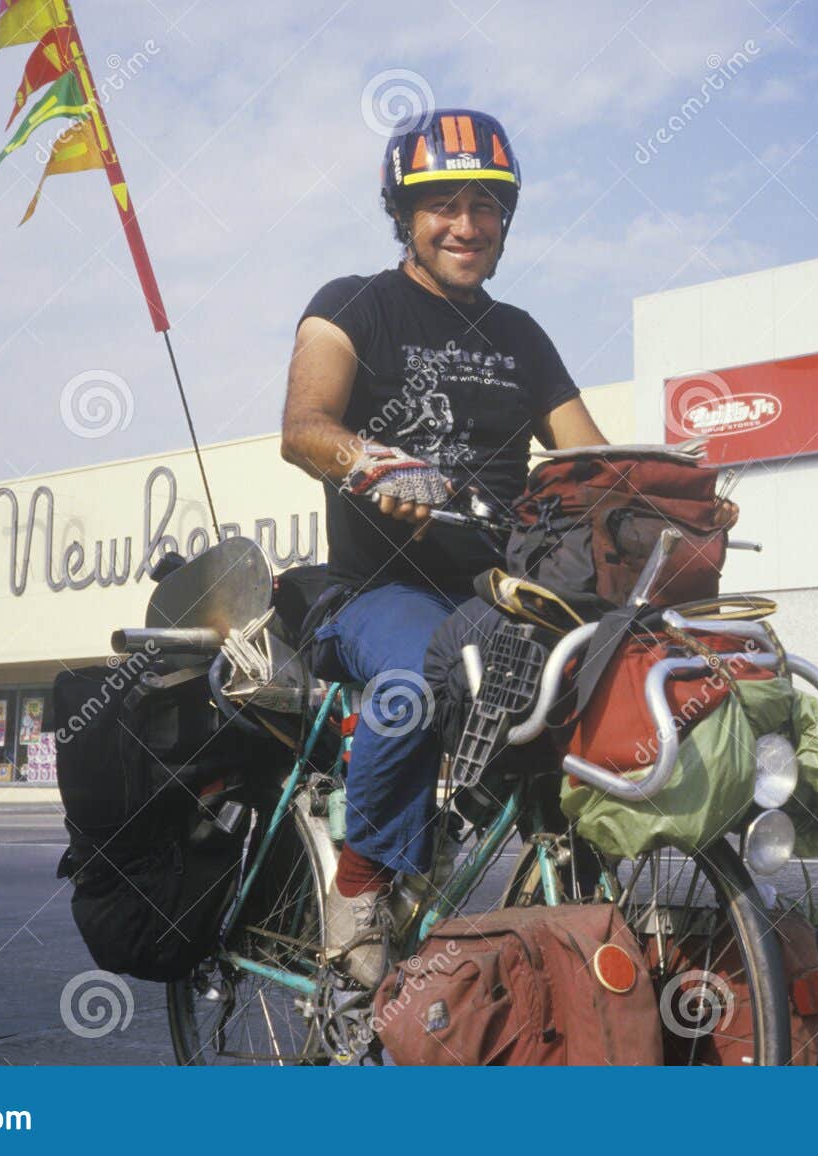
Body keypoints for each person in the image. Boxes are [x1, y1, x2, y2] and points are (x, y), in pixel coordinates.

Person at [280, 108, 607, 984]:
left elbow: (590, 463)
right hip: (377, 591)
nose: (466, 224)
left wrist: (662, 502)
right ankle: (359, 893)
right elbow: (304, 425)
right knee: (412, 682)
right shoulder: (353, 304)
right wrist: (373, 462)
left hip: (500, 594)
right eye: (442, 204)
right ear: (403, 216)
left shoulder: (522, 336)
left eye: (487, 204)